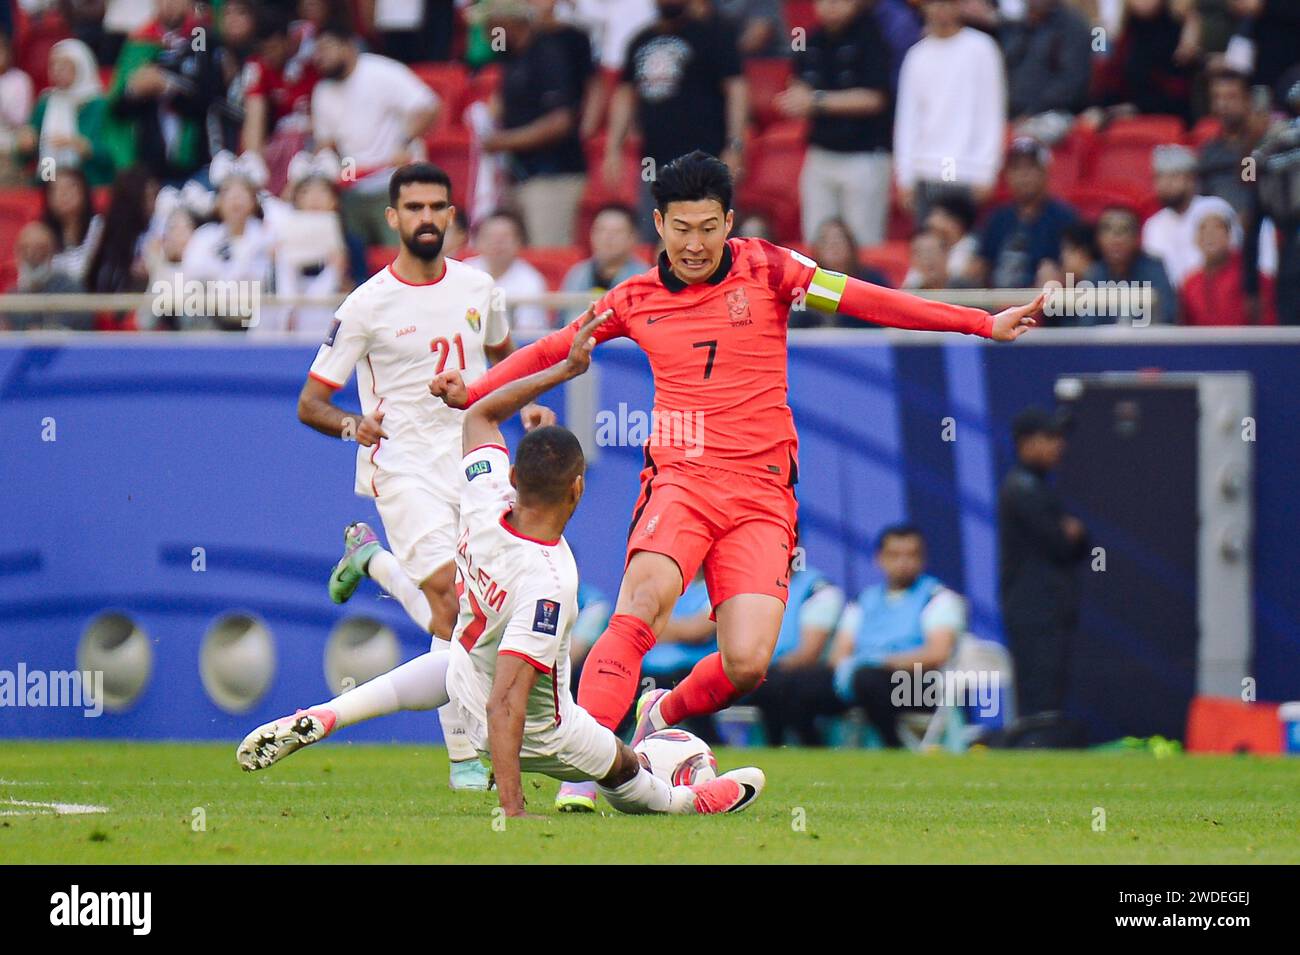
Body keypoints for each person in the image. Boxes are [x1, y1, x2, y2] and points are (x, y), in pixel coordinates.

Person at [431, 150, 1044, 809]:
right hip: (680, 481)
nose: (695, 244)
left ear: (728, 221)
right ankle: (591, 765)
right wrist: (476, 387)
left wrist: (979, 321)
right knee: (641, 607)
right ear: (659, 224)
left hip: (761, 494)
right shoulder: (633, 298)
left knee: (749, 662)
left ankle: (659, 715)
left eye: (708, 227)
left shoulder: (773, 270)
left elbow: (866, 298)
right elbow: (556, 345)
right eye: (681, 228)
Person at [239, 307, 767, 818]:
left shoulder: (485, 496)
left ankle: (328, 714)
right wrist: (512, 809)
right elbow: (508, 705)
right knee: (624, 766)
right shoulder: (552, 580)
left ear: (514, 477)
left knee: (456, 658)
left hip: (463, 687)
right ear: (578, 491)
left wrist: (562, 371)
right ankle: (682, 799)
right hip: (534, 734)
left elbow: (478, 413)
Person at [293, 163, 551, 791]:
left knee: (479, 605)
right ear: (393, 218)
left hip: (474, 460)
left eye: (438, 207)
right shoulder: (365, 306)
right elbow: (310, 403)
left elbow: (505, 364)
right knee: (449, 601)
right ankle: (465, 752)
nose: (428, 219)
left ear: (451, 214)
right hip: (403, 466)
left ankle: (374, 563)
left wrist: (529, 407)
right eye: (415, 208)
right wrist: (356, 426)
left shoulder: (478, 288)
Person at [603, 0, 747, 242]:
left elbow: (737, 89)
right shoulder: (640, 40)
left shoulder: (713, 34)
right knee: (652, 240)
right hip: (655, 163)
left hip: (706, 161)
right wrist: (612, 148)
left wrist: (735, 146)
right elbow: (625, 95)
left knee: (711, 240)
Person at [471, 0, 592, 247]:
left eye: (493, 26)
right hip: (519, 176)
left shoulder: (549, 55)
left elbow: (560, 122)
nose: (488, 34)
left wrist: (503, 141)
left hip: (552, 177)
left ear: (512, 23)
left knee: (547, 252)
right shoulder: (513, 58)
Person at [309, 23, 441, 245]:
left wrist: (403, 142)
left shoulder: (380, 71)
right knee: (360, 267)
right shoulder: (322, 91)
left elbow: (428, 107)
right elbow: (326, 143)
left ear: (349, 46)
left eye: (327, 48)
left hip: (396, 183)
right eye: (317, 51)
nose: (321, 57)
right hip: (353, 187)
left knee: (401, 258)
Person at [999, 407, 1088, 719]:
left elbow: (1077, 542)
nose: (1058, 445)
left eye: (1060, 438)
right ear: (1025, 443)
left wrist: (1075, 535)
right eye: (1049, 437)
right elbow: (1063, 542)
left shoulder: (1035, 487)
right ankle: (1035, 755)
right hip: (1034, 613)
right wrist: (1070, 533)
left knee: (1048, 696)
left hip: (1046, 611)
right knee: (1040, 700)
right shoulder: (1022, 488)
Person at [780, 0, 893, 247]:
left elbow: (875, 98)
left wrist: (817, 101)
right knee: (816, 240)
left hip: (864, 155)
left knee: (862, 243)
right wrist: (794, 99)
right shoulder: (809, 40)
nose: (830, 6)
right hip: (821, 152)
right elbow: (798, 80)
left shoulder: (872, 37)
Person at [893, 0, 1005, 225]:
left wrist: (985, 171)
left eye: (948, 4)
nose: (941, 10)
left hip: (967, 172)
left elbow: (991, 113)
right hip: (925, 172)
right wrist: (905, 177)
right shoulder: (917, 55)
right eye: (935, 4)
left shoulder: (982, 49)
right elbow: (908, 120)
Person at [742, 562, 845, 746]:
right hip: (762, 672)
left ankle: (802, 745)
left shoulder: (818, 590)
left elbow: (808, 655)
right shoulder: (748, 586)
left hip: (804, 675)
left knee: (776, 682)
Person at [972, 138, 1077, 288]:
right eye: (1016, 168)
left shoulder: (1064, 218)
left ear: (1045, 172)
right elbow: (981, 264)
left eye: (1030, 167)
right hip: (996, 302)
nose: (1023, 175)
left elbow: (1074, 270)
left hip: (1042, 304)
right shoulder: (997, 218)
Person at [17, 39, 114, 186]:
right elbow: (26, 154)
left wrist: (84, 147)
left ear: (82, 67)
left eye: (64, 66)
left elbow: (113, 154)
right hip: (48, 182)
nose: (57, 70)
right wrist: (25, 143)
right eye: (53, 65)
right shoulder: (47, 102)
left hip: (90, 183)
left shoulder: (98, 104)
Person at [1142, 144, 1226, 291]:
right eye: (1159, 177)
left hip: (1216, 294)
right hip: (1171, 302)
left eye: (1173, 176)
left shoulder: (1215, 209)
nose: (1165, 184)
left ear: (1191, 179)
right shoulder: (1153, 225)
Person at [1181, 198, 1276, 324]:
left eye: (1217, 227)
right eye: (1202, 228)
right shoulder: (1190, 284)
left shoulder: (1253, 279)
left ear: (1230, 234)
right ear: (1196, 238)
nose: (1209, 234)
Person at [1079, 205, 1176, 325]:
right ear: (1098, 238)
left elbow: (1167, 317)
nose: (1116, 239)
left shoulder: (1155, 269)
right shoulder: (1094, 273)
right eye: (1108, 230)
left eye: (1124, 230)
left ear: (1136, 238)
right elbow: (1086, 326)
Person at [559, 203, 649, 324]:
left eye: (616, 232)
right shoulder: (577, 274)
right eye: (601, 230)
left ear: (633, 237)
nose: (607, 237)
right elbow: (561, 324)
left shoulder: (644, 278)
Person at [463, 209, 551, 331]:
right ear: (477, 241)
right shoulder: (464, 272)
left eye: (504, 238)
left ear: (519, 242)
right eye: (490, 237)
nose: (497, 243)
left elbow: (527, 333)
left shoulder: (531, 280)